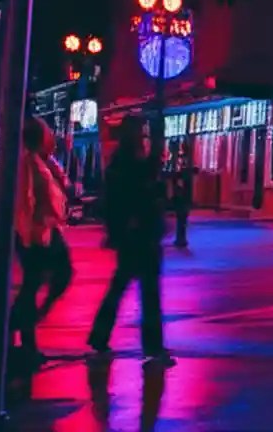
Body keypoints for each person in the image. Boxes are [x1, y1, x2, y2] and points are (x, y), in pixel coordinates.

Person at [87, 116, 175, 367]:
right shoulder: (131, 164)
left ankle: (100, 336)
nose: (145, 138)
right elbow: (144, 184)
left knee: (121, 288)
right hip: (141, 236)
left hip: (132, 236)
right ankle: (153, 348)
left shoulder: (120, 162)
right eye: (143, 133)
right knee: (148, 293)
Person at [10, 117, 74, 368]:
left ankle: (20, 327)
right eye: (49, 134)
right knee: (35, 284)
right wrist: (30, 236)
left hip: (49, 229)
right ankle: (19, 329)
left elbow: (64, 187)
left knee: (35, 284)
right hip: (38, 232)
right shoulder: (29, 163)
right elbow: (26, 202)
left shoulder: (43, 161)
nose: (53, 139)